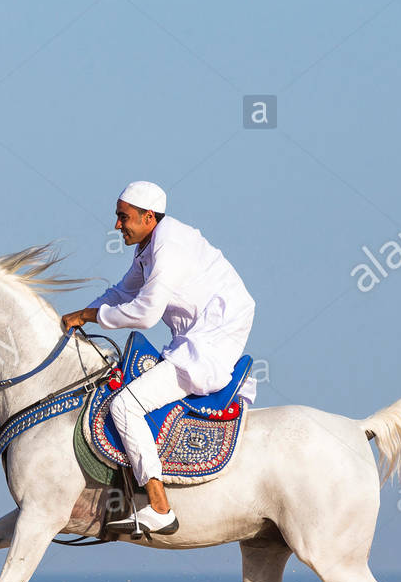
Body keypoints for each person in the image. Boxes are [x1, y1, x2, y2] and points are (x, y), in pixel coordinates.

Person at [61, 181, 256, 534]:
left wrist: (89, 317)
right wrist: (78, 314)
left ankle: (159, 506)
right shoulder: (149, 246)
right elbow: (122, 292)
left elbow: (146, 314)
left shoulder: (169, 247)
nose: (117, 225)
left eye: (123, 217)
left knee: (125, 406)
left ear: (148, 217)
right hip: (196, 336)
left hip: (211, 341)